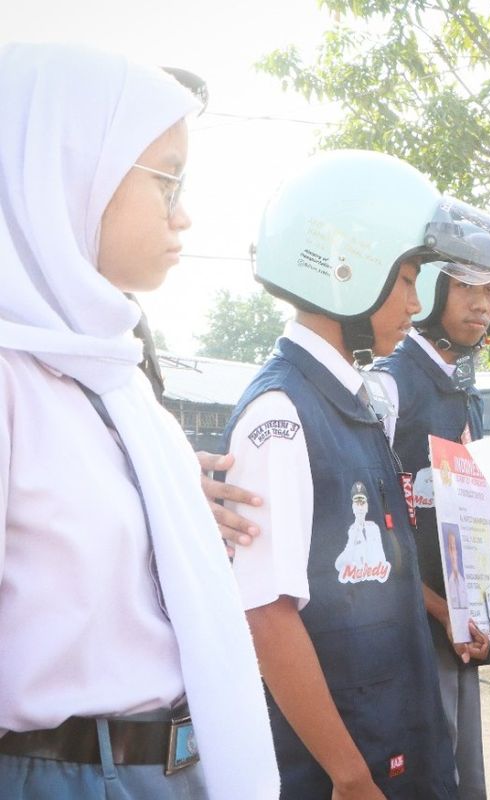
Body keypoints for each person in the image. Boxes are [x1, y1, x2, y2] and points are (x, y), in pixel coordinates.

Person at [0, 43, 277, 799]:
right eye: (168, 178)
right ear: (64, 175)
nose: (185, 213)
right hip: (57, 773)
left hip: (172, 767)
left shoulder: (118, 385)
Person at [221, 149, 490, 799]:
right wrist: (349, 775)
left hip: (398, 749)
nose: (417, 302)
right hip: (350, 772)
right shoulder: (282, 414)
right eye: (408, 278)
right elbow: (268, 617)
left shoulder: (353, 401)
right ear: (348, 271)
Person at [373, 248, 490, 800]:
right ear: (436, 287)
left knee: (460, 780)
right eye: (467, 286)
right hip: (410, 633)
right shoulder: (390, 386)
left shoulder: (463, 389)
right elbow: (379, 527)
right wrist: (443, 611)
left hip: (455, 634)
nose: (482, 304)